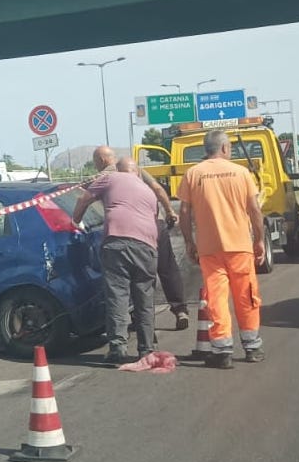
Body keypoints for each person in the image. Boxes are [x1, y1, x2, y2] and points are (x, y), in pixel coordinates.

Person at [177, 129, 266, 369]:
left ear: (206, 149)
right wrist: (259, 239)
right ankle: (252, 347)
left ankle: (222, 351)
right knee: (246, 296)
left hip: (209, 248)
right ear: (225, 148)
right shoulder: (241, 172)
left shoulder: (194, 174)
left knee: (216, 299)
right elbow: (254, 210)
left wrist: (189, 241)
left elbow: (183, 212)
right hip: (240, 246)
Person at [72, 147, 161, 363]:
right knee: (144, 298)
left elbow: (84, 199)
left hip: (117, 242)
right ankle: (147, 349)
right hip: (147, 247)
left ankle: (118, 348)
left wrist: (75, 221)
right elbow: (154, 215)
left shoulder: (111, 178)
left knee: (118, 295)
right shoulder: (148, 191)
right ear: (137, 173)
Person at [116, 155, 190, 330]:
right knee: (167, 268)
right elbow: (157, 188)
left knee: (138, 273)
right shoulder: (139, 171)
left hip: (131, 230)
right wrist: (169, 210)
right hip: (156, 224)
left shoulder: (112, 176)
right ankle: (180, 310)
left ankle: (140, 317)